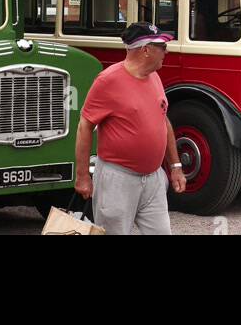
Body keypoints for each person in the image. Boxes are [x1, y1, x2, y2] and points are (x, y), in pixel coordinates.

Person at [74, 22, 186, 235]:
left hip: (153, 179)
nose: (166, 51)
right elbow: (85, 126)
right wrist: (82, 176)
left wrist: (176, 166)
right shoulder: (108, 80)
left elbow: (163, 120)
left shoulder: (154, 76)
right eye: (161, 46)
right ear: (145, 50)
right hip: (117, 179)